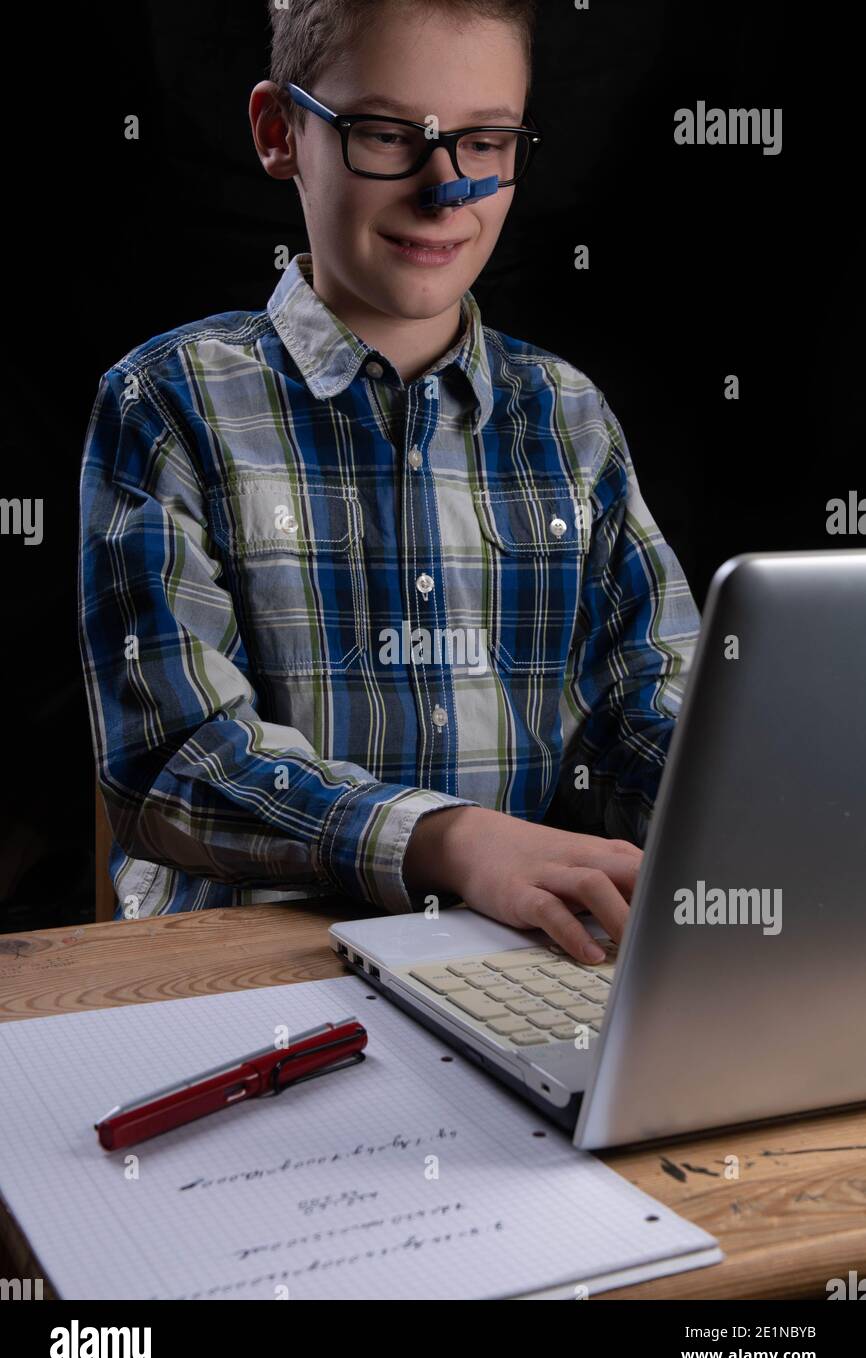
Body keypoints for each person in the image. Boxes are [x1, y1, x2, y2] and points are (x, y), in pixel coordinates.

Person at [77, 0, 700, 964]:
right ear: (280, 132)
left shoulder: (569, 418)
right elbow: (174, 764)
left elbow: (649, 716)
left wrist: (751, 813)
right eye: (386, 135)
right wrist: (450, 841)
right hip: (240, 969)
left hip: (508, 958)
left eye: (484, 141)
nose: (445, 189)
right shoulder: (168, 401)